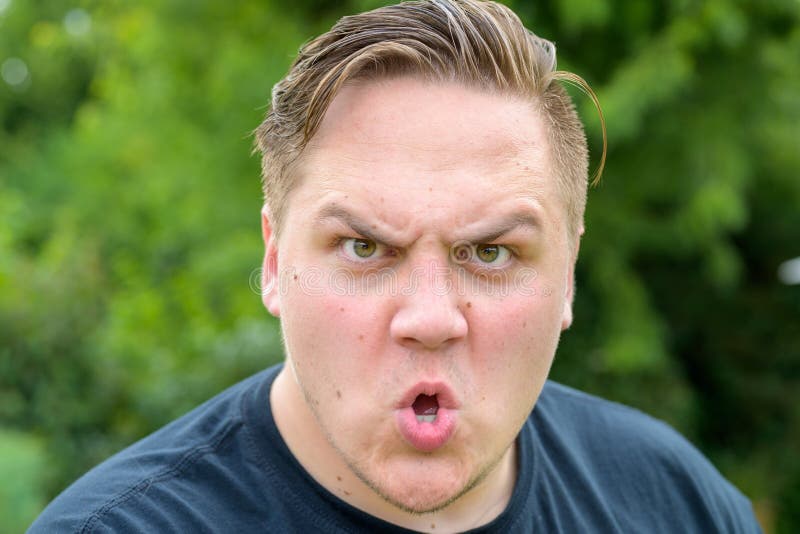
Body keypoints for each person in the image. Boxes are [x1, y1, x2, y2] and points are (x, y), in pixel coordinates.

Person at [30, 0, 762, 532]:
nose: (431, 318)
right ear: (274, 259)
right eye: (365, 248)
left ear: (567, 273)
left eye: (491, 252)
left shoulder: (677, 504)